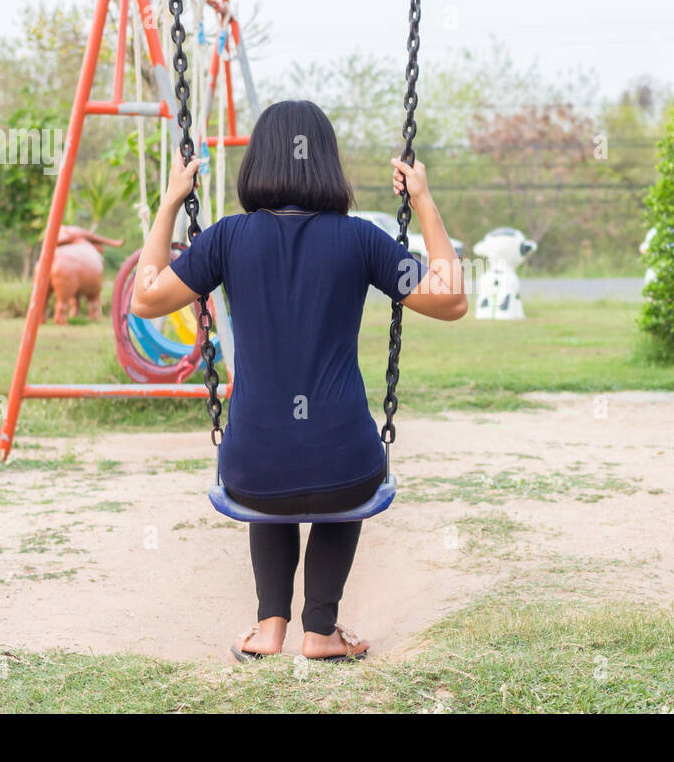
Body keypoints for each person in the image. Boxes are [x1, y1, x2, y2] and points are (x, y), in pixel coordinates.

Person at [131, 99, 467, 661]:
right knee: (346, 478)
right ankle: (321, 631)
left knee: (270, 469)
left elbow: (145, 297)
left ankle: (269, 631)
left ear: (256, 163)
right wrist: (423, 201)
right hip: (345, 463)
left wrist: (170, 201)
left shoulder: (226, 238)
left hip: (253, 466)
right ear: (327, 165)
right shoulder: (359, 239)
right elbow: (452, 299)